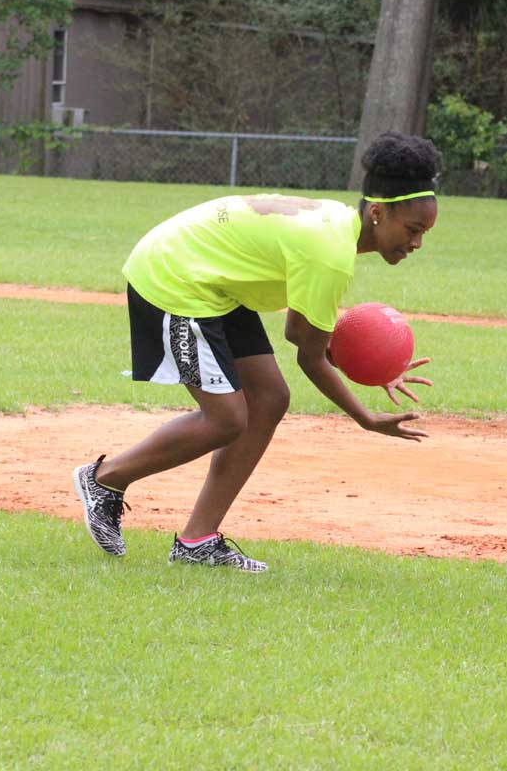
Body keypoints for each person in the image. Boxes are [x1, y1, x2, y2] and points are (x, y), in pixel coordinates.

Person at [72, 131, 441, 572]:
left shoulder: (339, 227)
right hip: (175, 277)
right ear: (378, 213)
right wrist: (365, 418)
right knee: (226, 418)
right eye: (413, 230)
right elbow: (308, 356)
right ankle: (105, 480)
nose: (417, 243)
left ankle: (198, 541)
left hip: (214, 282)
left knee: (269, 399)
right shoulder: (331, 254)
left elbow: (300, 334)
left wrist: (368, 363)